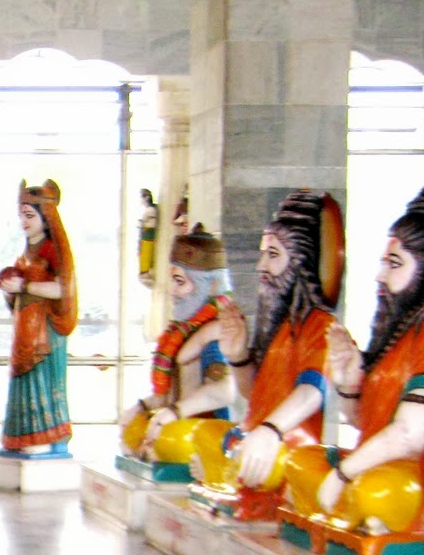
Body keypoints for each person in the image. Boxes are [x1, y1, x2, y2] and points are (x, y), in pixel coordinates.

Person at [281, 179, 424, 555]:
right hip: (369, 464)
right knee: (298, 462)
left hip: (409, 479)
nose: (380, 276)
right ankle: (353, 514)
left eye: (394, 264)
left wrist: (345, 473)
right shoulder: (391, 336)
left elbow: (411, 435)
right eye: (383, 262)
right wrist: (349, 383)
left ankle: (361, 513)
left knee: (372, 492)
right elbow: (363, 421)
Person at [185, 191, 344, 520]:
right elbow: (252, 392)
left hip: (288, 446)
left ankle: (250, 482)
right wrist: (239, 355)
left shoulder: (321, 326)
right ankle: (233, 483)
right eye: (263, 254)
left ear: (301, 262)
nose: (261, 266)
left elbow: (311, 392)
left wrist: (271, 430)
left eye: (272, 255)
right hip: (255, 435)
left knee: (260, 458)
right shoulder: (281, 326)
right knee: (203, 433)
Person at [118, 225, 236, 464]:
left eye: (180, 282)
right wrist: (140, 407)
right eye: (172, 281)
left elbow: (224, 391)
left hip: (204, 429)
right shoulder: (181, 332)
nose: (172, 291)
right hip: (175, 421)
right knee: (133, 432)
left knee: (166, 440)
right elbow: (167, 395)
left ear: (210, 287)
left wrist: (175, 412)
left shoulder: (216, 333)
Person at [0, 179, 78, 455]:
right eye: (21, 215)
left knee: (42, 379)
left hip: (46, 328)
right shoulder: (27, 250)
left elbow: (63, 288)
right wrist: (10, 289)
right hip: (25, 326)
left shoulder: (52, 250)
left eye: (29, 215)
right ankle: (24, 437)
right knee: (23, 380)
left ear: (45, 217)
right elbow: (19, 290)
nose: (23, 221)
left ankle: (45, 436)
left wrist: (26, 287)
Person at [137, 189, 158, 289]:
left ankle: (146, 275)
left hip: (147, 238)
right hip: (145, 238)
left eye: (142, 197)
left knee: (145, 261)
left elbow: (151, 224)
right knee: (143, 259)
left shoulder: (151, 210)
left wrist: (143, 224)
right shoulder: (148, 210)